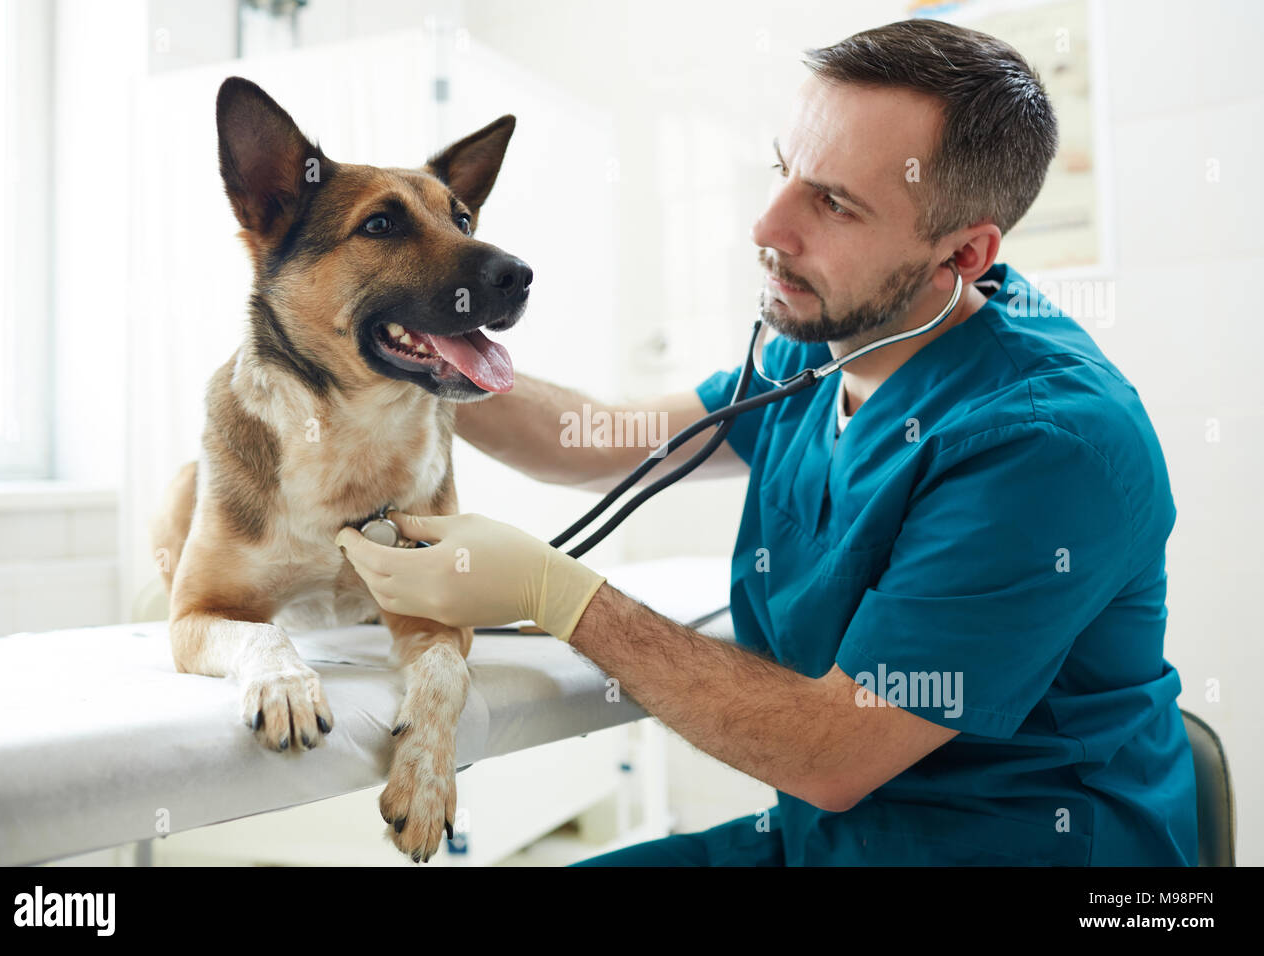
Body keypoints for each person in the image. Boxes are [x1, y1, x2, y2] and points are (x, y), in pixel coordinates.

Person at [335, 18, 1198, 866]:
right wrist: (424, 354)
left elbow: (833, 753)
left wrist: (555, 593)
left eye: (833, 203)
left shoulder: (1047, 445)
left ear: (962, 254)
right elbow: (596, 436)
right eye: (787, 172)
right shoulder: (833, 342)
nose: (766, 228)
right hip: (824, 844)